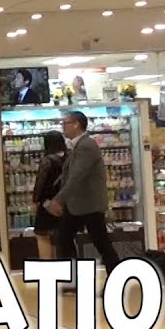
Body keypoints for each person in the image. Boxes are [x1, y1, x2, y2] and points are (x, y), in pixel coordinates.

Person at [47, 111, 120, 283]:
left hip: (88, 205)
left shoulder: (86, 145)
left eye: (65, 123)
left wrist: (58, 199)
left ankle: (112, 278)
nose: (62, 127)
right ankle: (74, 280)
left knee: (99, 242)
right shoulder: (78, 146)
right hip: (80, 205)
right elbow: (70, 175)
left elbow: (77, 176)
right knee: (67, 237)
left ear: (76, 124)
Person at [32, 131, 68, 259]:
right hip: (65, 202)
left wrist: (36, 200)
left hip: (47, 203)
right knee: (61, 236)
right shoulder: (68, 157)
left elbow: (40, 183)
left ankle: (47, 266)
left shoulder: (47, 160)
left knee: (42, 236)